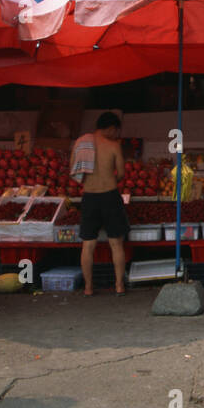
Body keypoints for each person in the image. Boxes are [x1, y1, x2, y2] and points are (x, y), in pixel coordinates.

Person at [72, 111, 128, 297]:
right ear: (111, 128)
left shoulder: (80, 143)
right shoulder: (113, 146)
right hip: (110, 196)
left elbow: (74, 171)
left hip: (89, 196)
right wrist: (109, 177)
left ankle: (88, 288)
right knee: (116, 243)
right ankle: (119, 285)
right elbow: (120, 173)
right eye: (116, 130)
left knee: (88, 245)